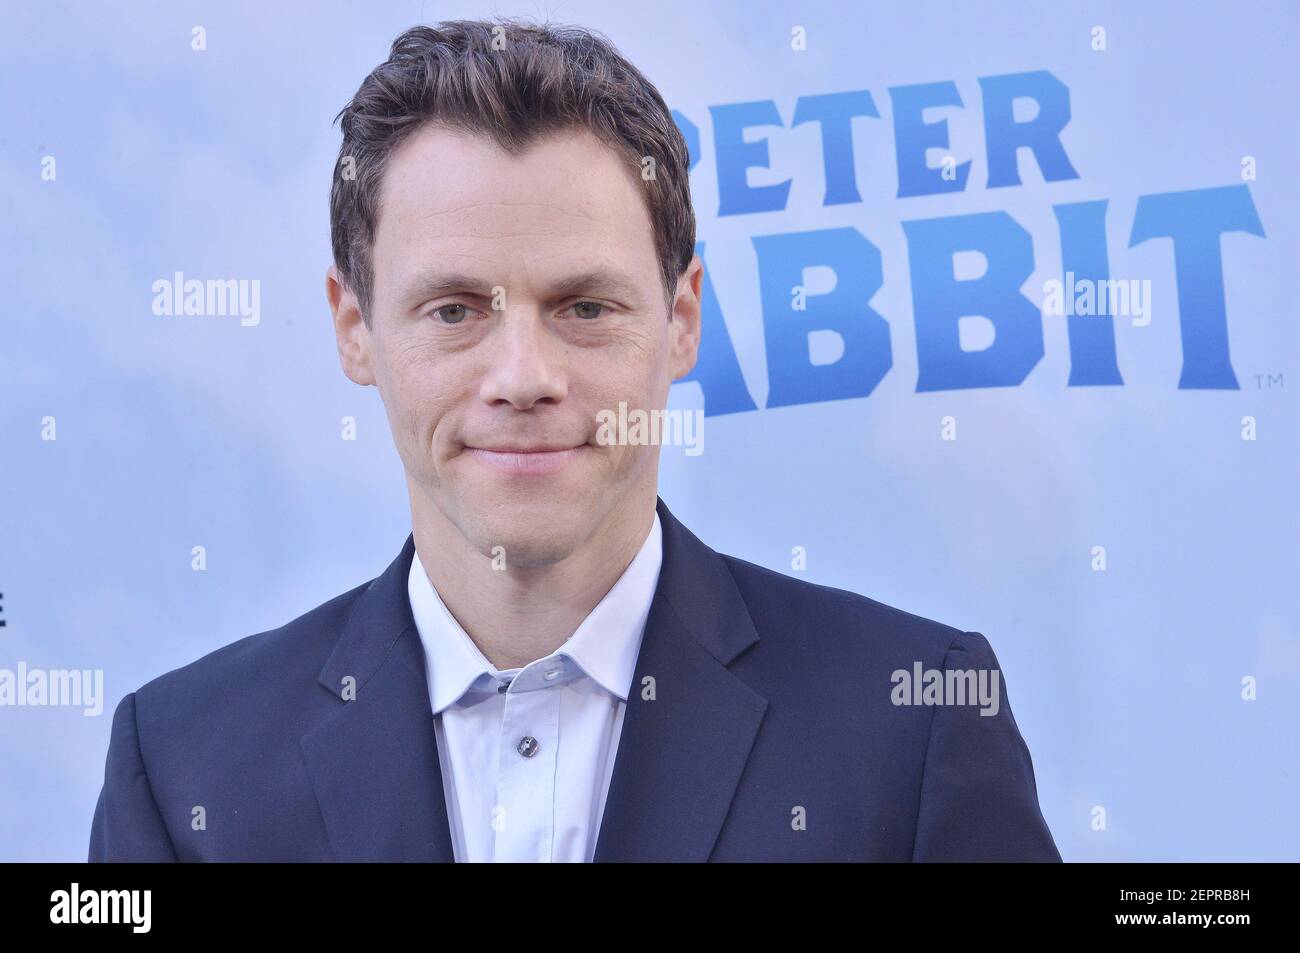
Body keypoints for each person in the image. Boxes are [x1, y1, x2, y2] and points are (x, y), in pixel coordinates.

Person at [90, 18, 1060, 862]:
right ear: (355, 326)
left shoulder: (915, 721)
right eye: (454, 309)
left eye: (585, 305)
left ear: (682, 318)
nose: (522, 377)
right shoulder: (180, 766)